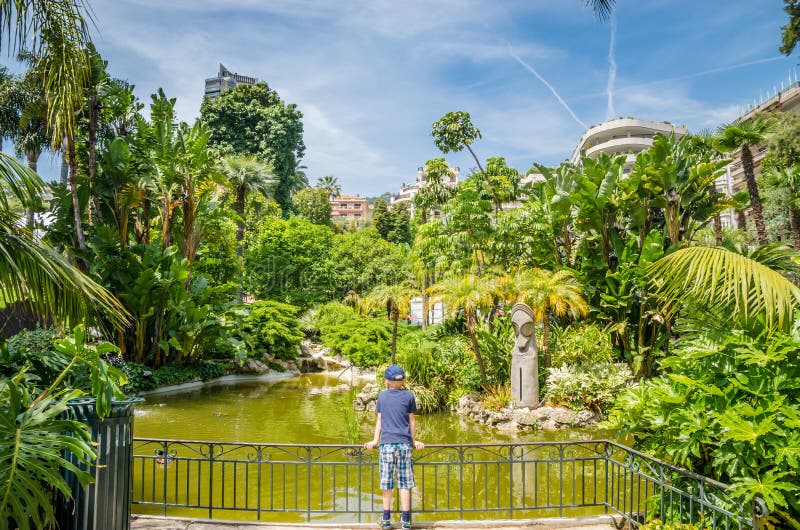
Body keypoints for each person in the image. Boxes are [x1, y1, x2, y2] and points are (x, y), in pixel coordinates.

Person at [364, 364, 424, 530]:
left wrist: (375, 440)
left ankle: (385, 520)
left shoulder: (382, 396)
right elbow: (411, 420)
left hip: (387, 445)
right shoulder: (409, 395)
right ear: (403, 381)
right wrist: (414, 441)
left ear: (387, 381)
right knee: (405, 483)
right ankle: (406, 521)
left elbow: (380, 420)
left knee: (387, 483)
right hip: (404, 445)